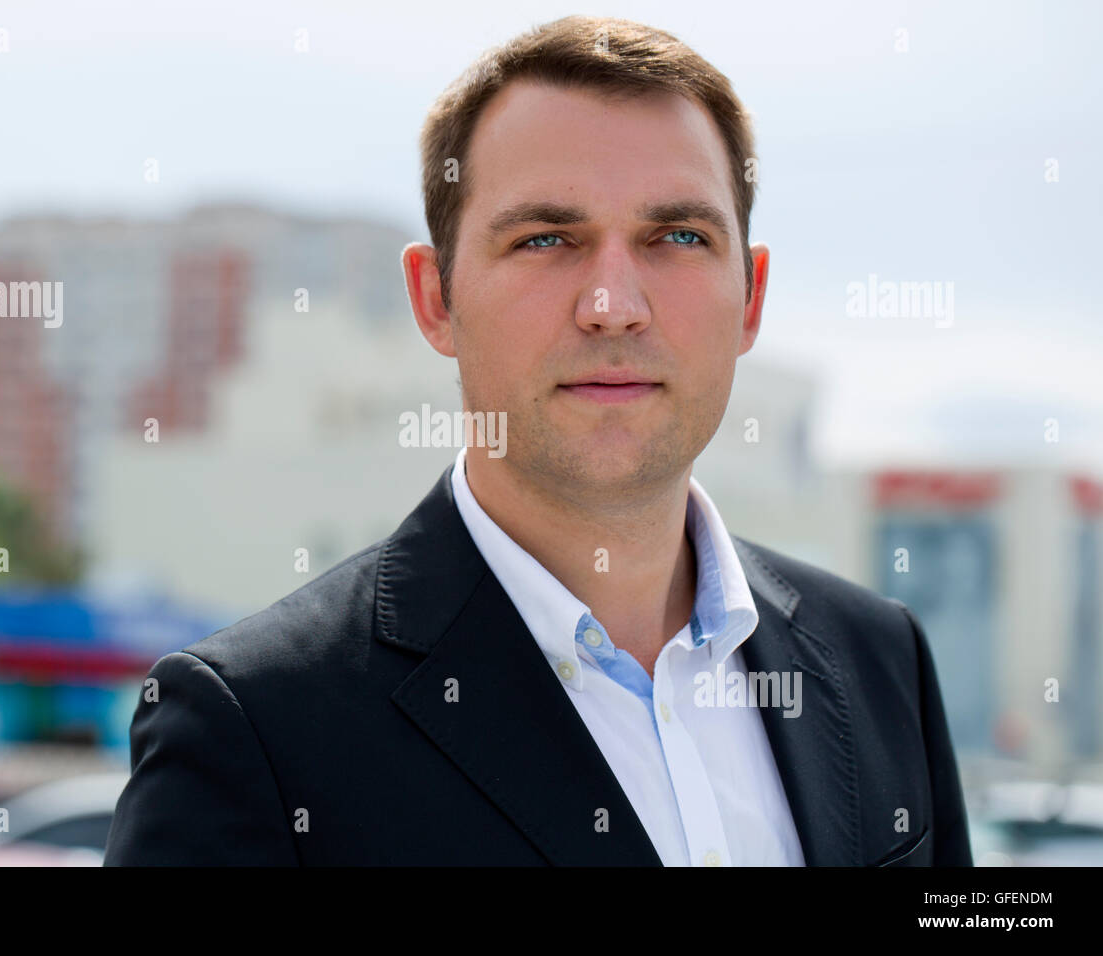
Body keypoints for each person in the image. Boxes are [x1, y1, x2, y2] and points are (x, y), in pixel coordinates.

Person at [104, 15, 972, 866]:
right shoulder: (257, 726)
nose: (613, 305)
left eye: (678, 236)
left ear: (750, 297)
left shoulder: (879, 660)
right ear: (436, 299)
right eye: (547, 238)